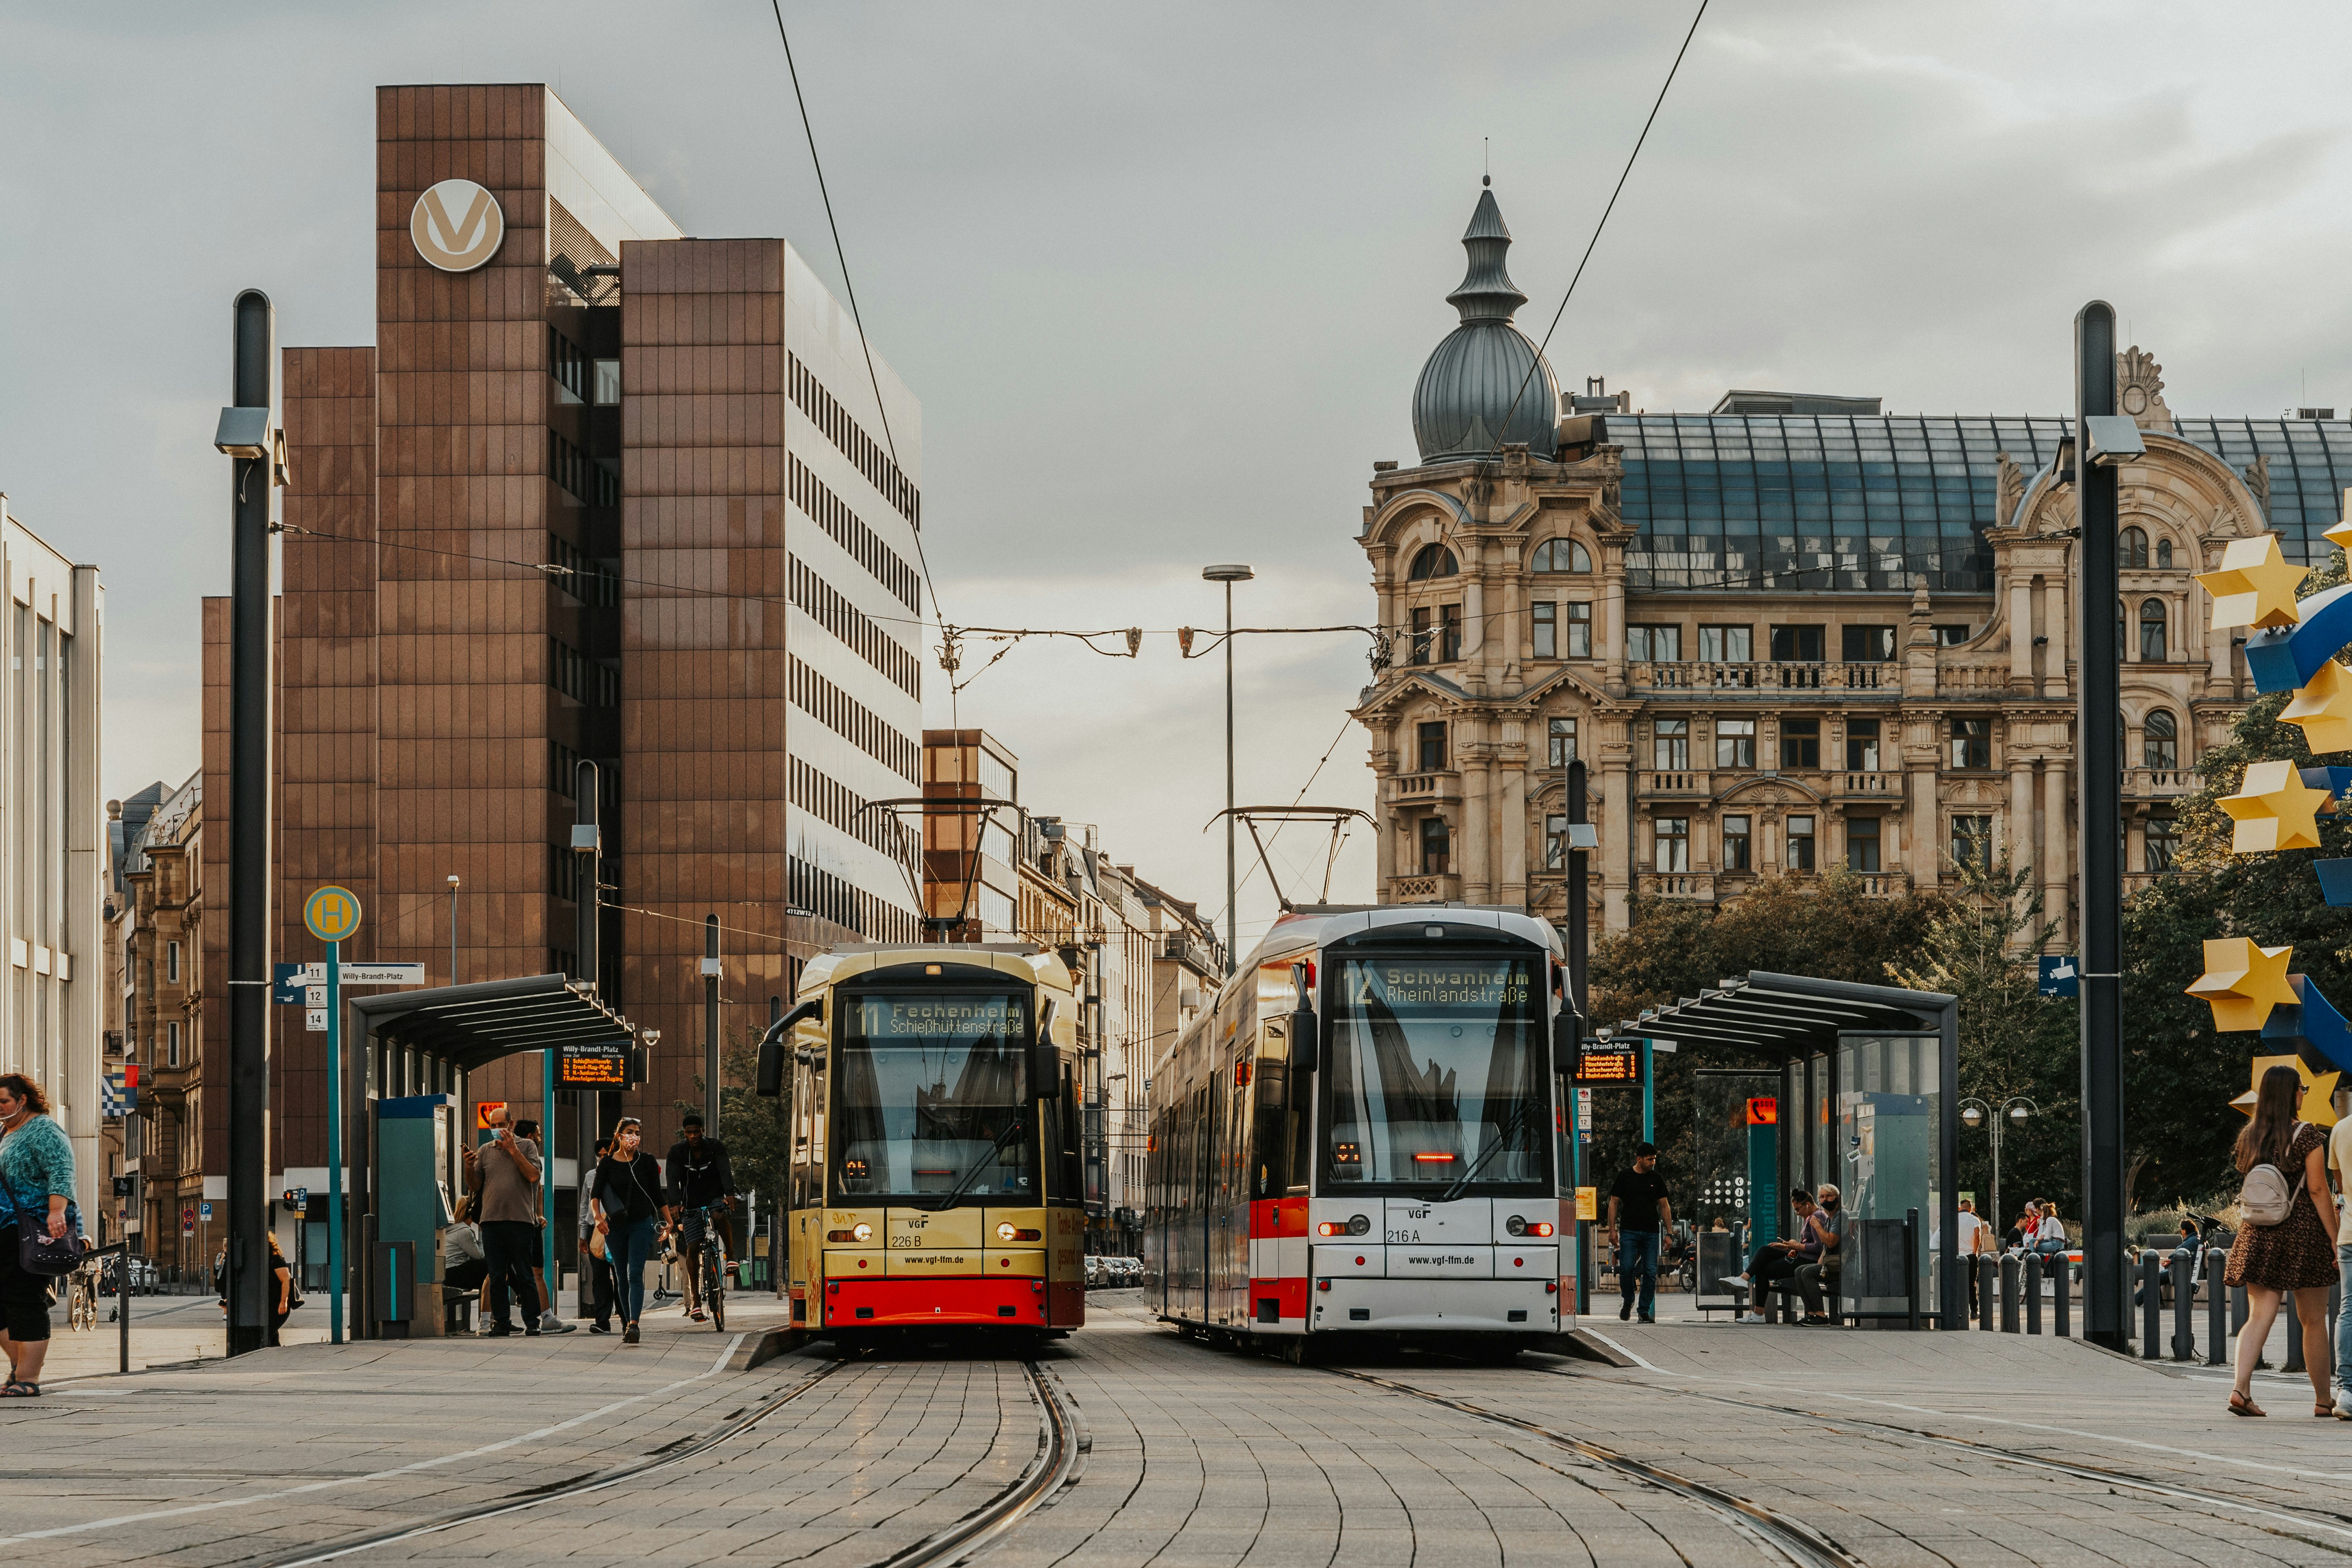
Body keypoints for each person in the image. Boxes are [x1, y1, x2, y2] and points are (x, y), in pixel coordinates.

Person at [2226, 1064, 2337, 1417]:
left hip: (2258, 1232)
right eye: (2301, 1087)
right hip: (2302, 1233)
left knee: (2258, 1314)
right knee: (2313, 1319)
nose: (2304, 1092)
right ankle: (2323, 1399)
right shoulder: (2307, 1135)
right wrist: (2335, 1239)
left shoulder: (2249, 1136)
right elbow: (2318, 1189)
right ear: (2291, 1093)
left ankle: (2240, 1388)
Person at [0, 1073, 75, 1397]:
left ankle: (28, 1378)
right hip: (3, 1229)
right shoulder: (6, 1131)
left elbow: (61, 1169)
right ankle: (20, 1369)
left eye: (3, 1100)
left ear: (22, 1099)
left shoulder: (42, 1128)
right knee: (5, 1302)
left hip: (30, 1228)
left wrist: (56, 1210)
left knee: (24, 1299)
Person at [464, 1105, 548, 1337]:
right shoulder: (485, 1150)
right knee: (497, 1275)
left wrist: (512, 1149)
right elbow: (475, 1186)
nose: (497, 1129)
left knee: (524, 1273)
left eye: (501, 1125)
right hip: (491, 1221)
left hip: (520, 1220)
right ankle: (501, 1321)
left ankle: (532, 1321)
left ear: (511, 1125)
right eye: (493, 1126)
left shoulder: (527, 1146)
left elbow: (533, 1176)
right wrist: (469, 1167)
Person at [590, 1117, 666, 1345]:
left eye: (637, 1132)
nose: (633, 1136)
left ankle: (634, 1324)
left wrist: (668, 1222)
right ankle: (626, 1323)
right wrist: (597, 1219)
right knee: (621, 1276)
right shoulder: (607, 1164)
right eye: (629, 1132)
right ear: (619, 1135)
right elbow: (595, 1195)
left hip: (641, 1224)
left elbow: (657, 1194)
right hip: (615, 1227)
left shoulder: (648, 1162)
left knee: (635, 1274)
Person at [665, 1114, 738, 1323]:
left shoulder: (715, 1147)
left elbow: (725, 1170)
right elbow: (672, 1180)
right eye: (689, 1132)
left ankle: (731, 1256)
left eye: (697, 1131)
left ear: (703, 1131)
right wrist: (675, 1204)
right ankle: (696, 1303)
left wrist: (730, 1193)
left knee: (719, 1215)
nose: (693, 1136)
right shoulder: (677, 1152)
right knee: (693, 1248)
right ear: (684, 1133)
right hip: (690, 1203)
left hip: (714, 1197)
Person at [508, 1120, 574, 1335]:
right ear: (528, 1136)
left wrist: (538, 1214)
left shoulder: (532, 1156)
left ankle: (546, 1317)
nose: (539, 1138)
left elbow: (538, 1188)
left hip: (530, 1221)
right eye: (537, 1135)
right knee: (500, 1272)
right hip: (512, 1222)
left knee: (536, 1271)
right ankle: (491, 1320)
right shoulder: (514, 1153)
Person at [1725, 1187, 1819, 1323]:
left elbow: (1819, 1247)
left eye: (1798, 1209)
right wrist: (1787, 1246)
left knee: (1763, 1268)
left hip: (1806, 1262)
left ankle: (1756, 1310)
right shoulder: (1809, 1218)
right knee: (1766, 1250)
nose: (1797, 1213)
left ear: (1808, 1205)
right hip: (1801, 1257)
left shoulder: (1817, 1218)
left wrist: (1797, 1246)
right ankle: (1744, 1280)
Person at [1606, 1142, 1671, 1324]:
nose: (1653, 1163)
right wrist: (1612, 1230)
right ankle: (1628, 1299)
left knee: (1650, 1272)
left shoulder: (1656, 1179)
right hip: (1629, 1231)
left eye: (1655, 1159)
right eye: (1650, 1159)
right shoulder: (1624, 1177)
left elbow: (1664, 1205)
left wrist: (1669, 1233)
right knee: (1626, 1269)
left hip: (1651, 1232)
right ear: (1639, 1159)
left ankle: (1644, 1312)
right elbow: (1614, 1203)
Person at [578, 1136, 615, 1333]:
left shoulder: (622, 1172)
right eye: (599, 1155)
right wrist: (583, 1234)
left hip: (616, 1227)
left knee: (621, 1275)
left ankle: (628, 1320)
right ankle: (602, 1321)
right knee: (600, 1277)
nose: (602, 1158)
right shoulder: (591, 1176)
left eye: (606, 1154)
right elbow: (585, 1206)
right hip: (596, 1229)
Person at [1791, 1183, 1843, 1325]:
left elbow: (1830, 1242)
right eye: (1822, 1197)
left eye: (1829, 1196)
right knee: (1800, 1271)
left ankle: (1820, 1315)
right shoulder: (1830, 1218)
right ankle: (1811, 1313)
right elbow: (1825, 1248)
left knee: (1807, 1273)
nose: (1825, 1200)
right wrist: (1820, 1263)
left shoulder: (1840, 1216)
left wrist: (1817, 1226)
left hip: (1840, 1265)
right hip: (1830, 1262)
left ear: (1837, 1198)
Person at [443, 1192, 489, 1310]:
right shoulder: (465, 1232)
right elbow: (480, 1256)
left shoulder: (454, 1228)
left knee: (496, 1272)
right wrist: (482, 1231)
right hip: (454, 1274)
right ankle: (492, 1317)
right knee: (494, 1266)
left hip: (448, 1273)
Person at [1955, 1198, 1989, 1317]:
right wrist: (1975, 1252)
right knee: (1971, 1284)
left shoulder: (1954, 1219)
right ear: (1971, 1209)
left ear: (1960, 1208)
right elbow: (1977, 1236)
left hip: (1957, 1255)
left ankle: (1957, 1310)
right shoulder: (1975, 1220)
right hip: (1970, 1255)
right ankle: (1974, 1310)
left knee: (1956, 1283)